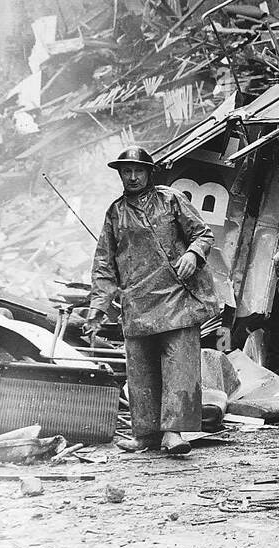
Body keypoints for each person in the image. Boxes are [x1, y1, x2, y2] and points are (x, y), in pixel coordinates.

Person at [86, 146, 218, 456]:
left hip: (177, 297)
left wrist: (193, 253)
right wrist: (97, 307)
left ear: (149, 172)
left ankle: (172, 433)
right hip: (137, 302)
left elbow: (203, 234)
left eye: (138, 171)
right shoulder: (115, 213)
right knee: (141, 370)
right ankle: (144, 435)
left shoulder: (170, 199)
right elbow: (105, 263)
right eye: (126, 171)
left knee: (178, 365)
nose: (132, 177)